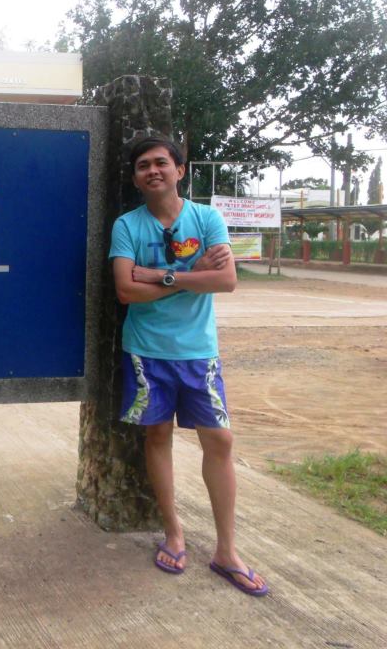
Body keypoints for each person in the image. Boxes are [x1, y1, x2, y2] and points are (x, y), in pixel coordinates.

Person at [108, 136, 268, 597]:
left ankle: (226, 551)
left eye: (161, 162)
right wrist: (195, 276)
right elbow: (125, 290)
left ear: (180, 169)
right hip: (146, 351)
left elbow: (227, 280)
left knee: (219, 439)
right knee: (157, 436)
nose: (152, 171)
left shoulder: (207, 218)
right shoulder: (127, 225)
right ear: (136, 177)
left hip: (199, 353)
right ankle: (174, 534)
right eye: (143, 165)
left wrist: (161, 275)